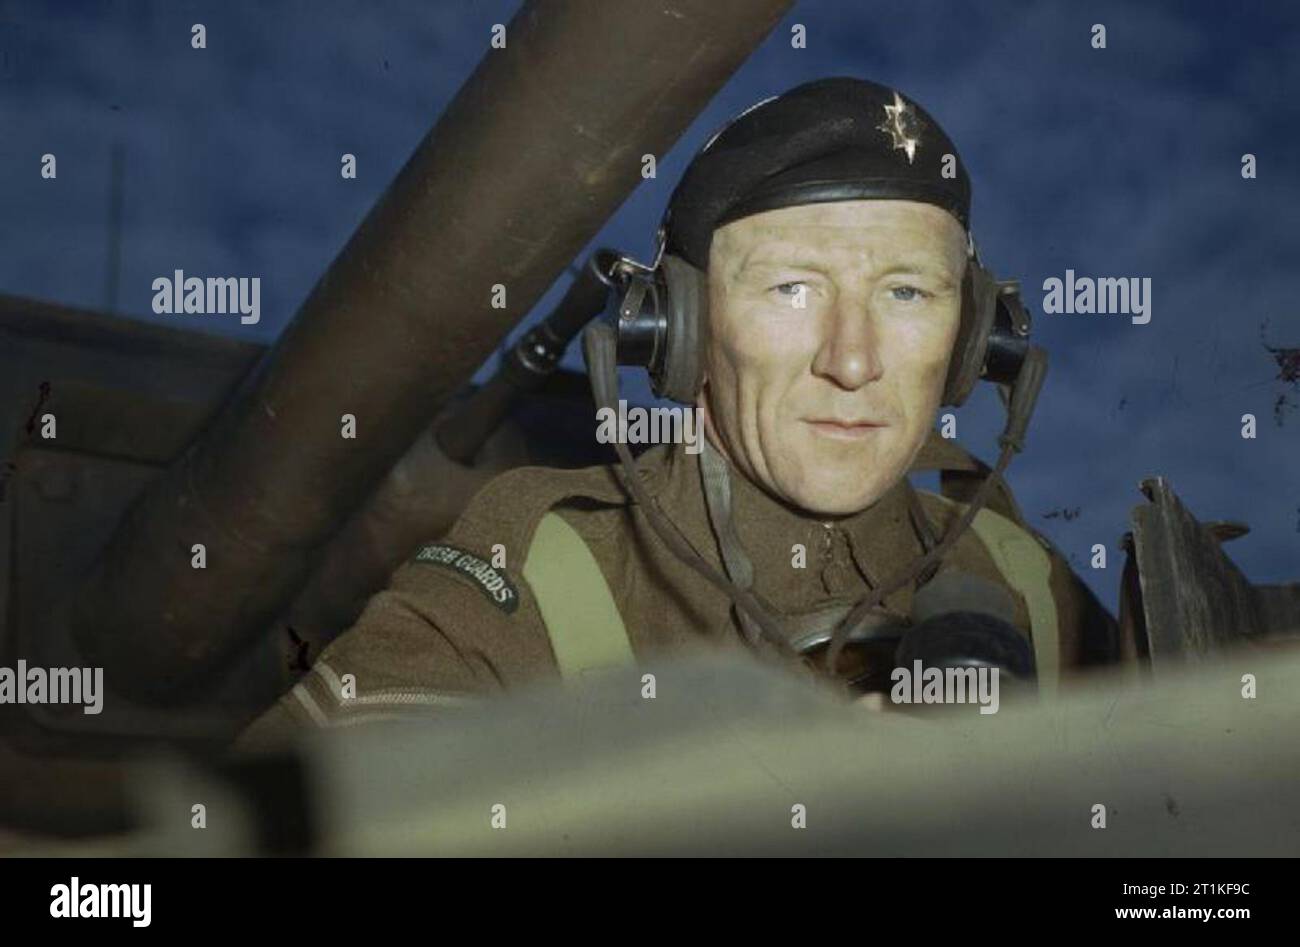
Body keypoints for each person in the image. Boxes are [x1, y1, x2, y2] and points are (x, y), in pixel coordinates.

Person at [239, 78, 1116, 744]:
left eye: (906, 291)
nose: (852, 359)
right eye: (791, 286)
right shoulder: (549, 566)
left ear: (974, 344)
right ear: (678, 333)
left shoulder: (1025, 581)